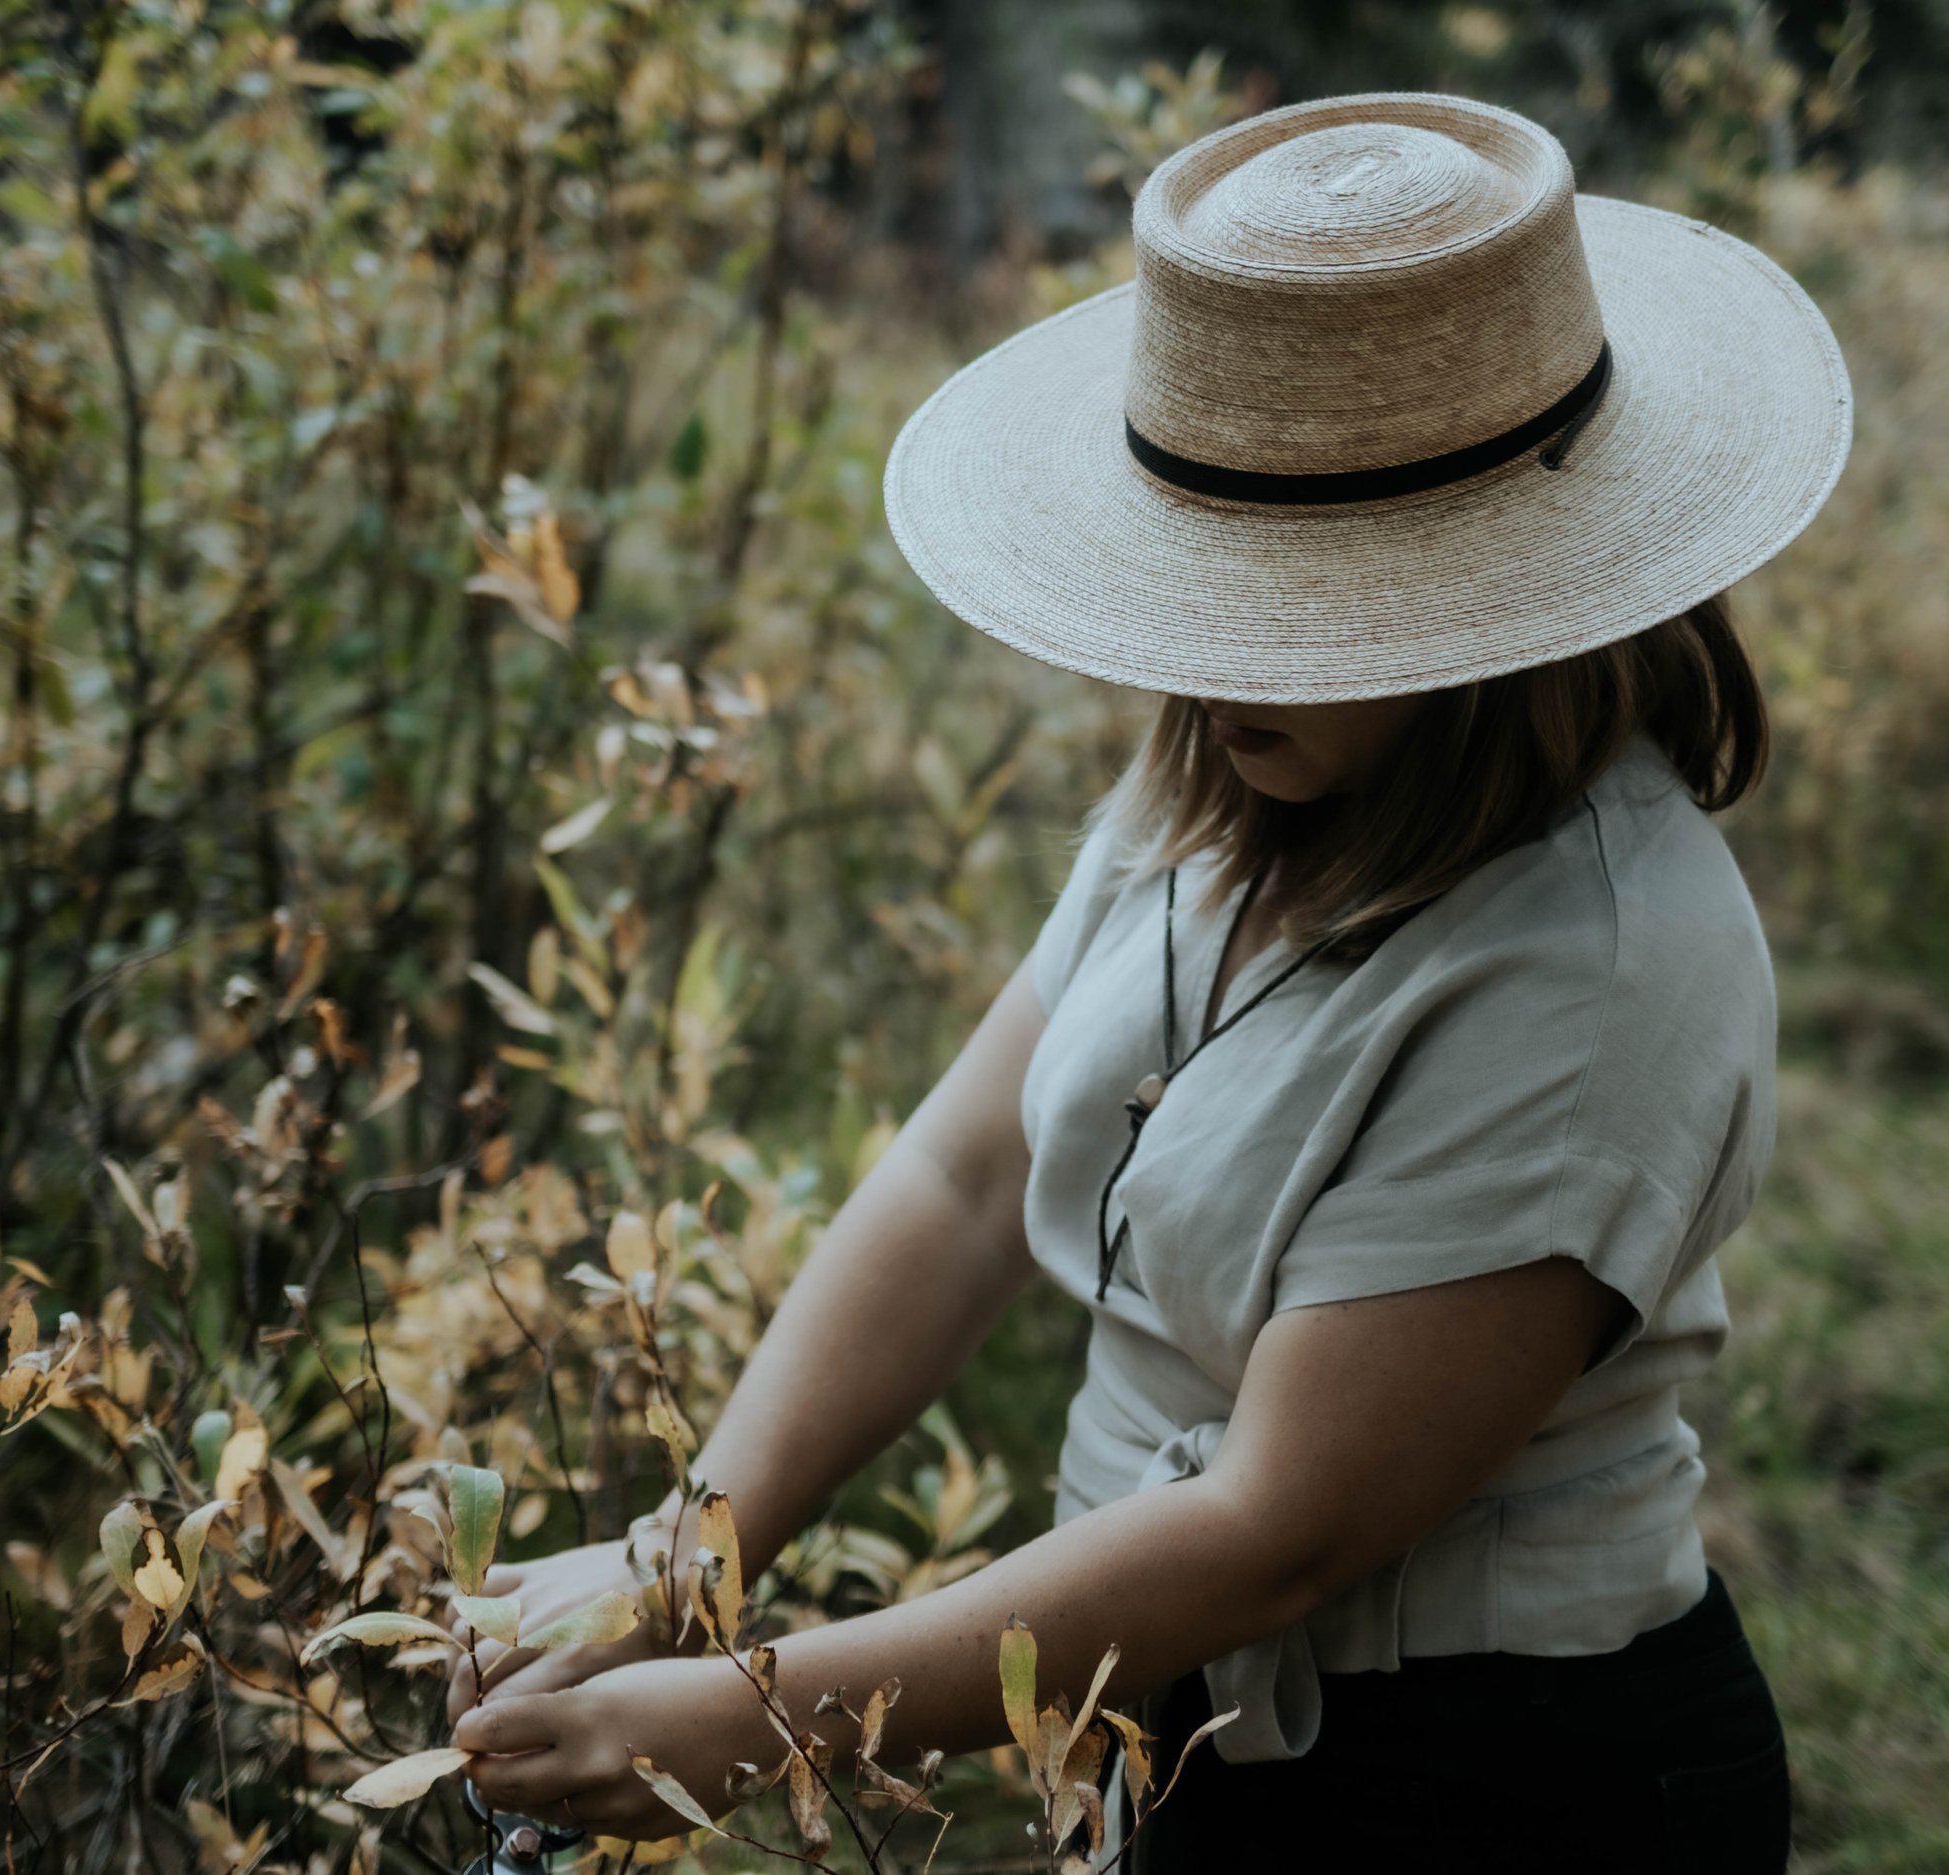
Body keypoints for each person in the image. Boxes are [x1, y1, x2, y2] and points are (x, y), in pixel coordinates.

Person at [446, 90, 1851, 1871]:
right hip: (1166, 1727)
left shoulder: (1596, 970)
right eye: (1203, 584)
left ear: (1488, 608)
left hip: (1487, 1783)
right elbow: (959, 1182)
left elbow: (1275, 1530)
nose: (1203, 665)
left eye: (1283, 604)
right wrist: (692, 1561)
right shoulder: (1234, 778)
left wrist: (748, 1712)